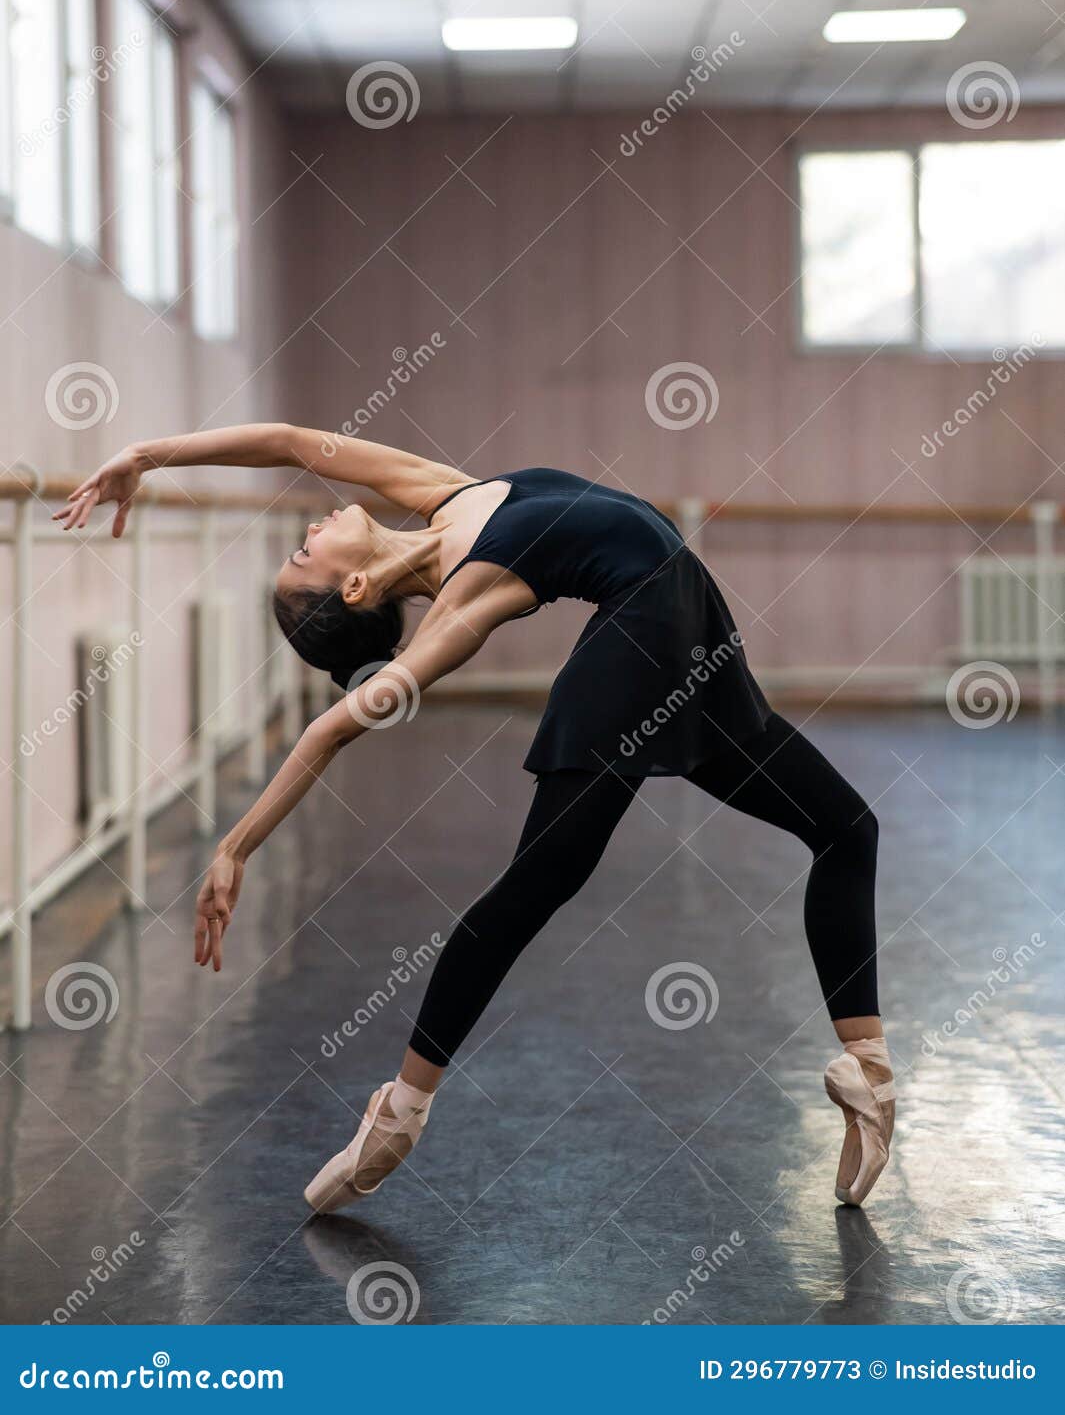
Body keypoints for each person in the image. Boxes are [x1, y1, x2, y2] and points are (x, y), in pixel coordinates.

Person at [55, 425, 895, 1211]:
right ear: (352, 587)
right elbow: (330, 729)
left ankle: (870, 1078)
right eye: (302, 555)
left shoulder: (445, 495)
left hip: (692, 644)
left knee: (846, 830)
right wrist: (236, 846)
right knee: (532, 889)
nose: (304, 530)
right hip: (638, 648)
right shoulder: (465, 598)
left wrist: (148, 455)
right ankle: (401, 1112)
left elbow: (283, 441)